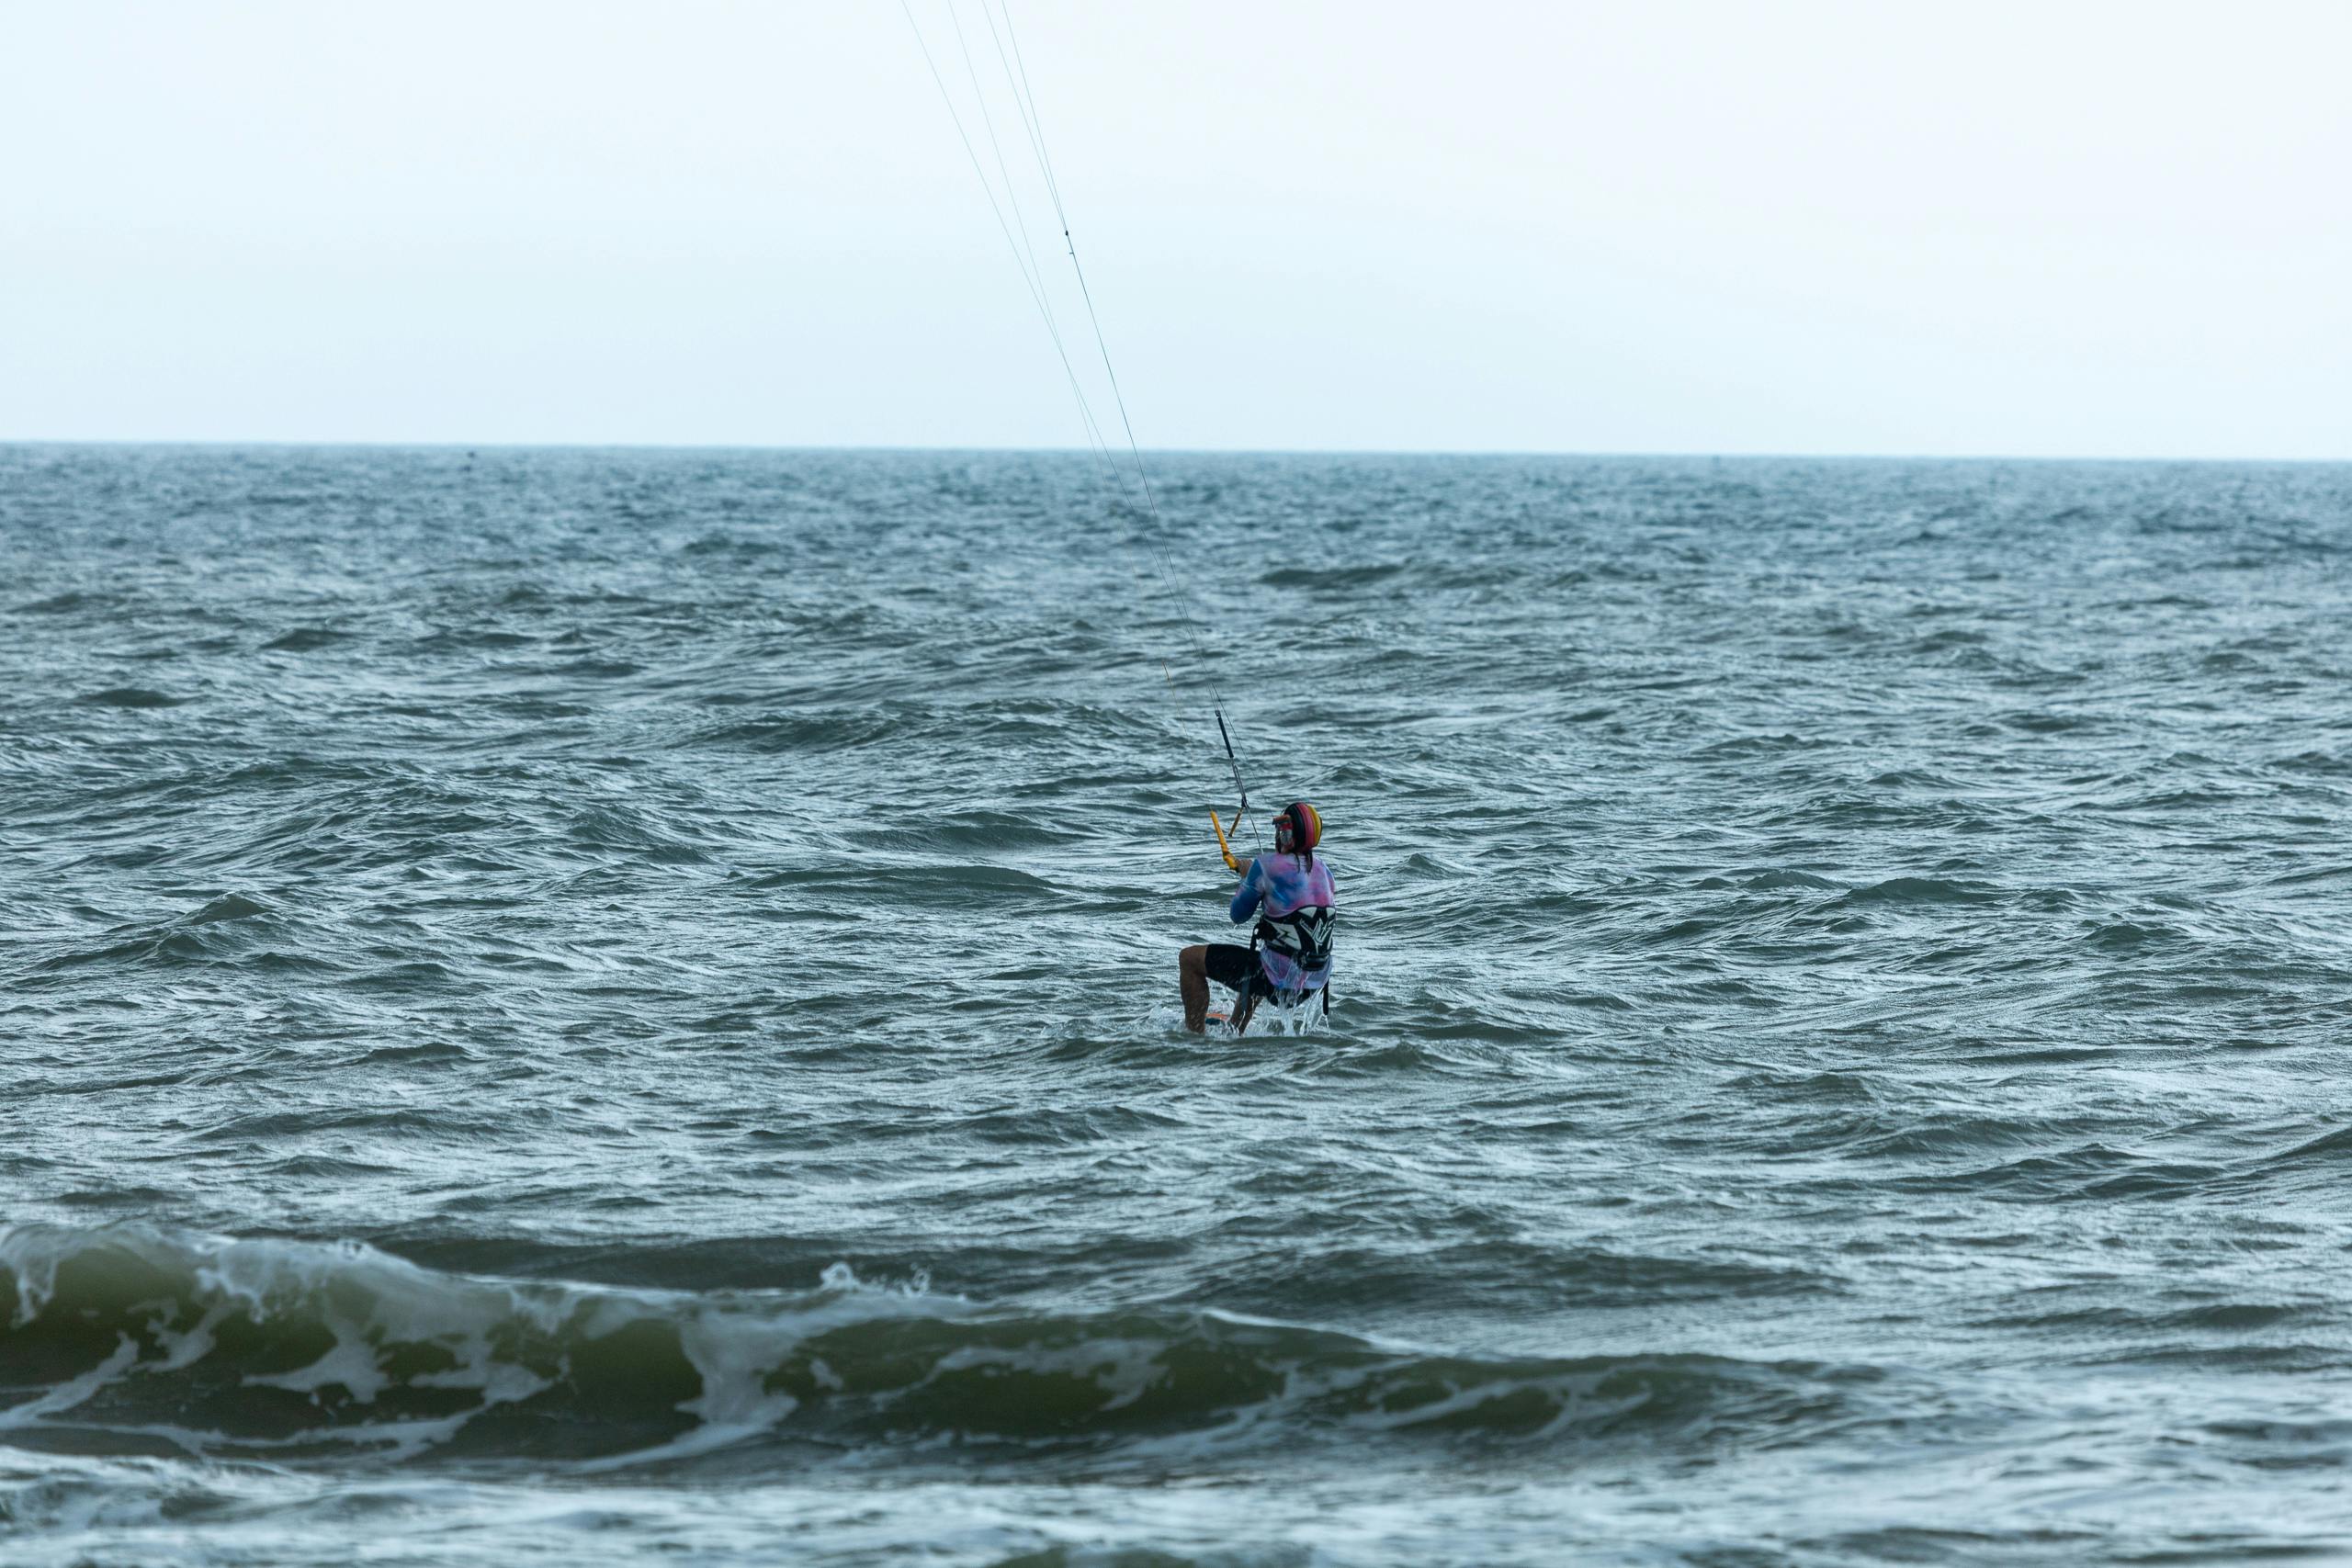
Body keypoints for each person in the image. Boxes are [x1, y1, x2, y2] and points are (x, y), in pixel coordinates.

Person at [1180, 801, 1335, 1033]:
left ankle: (1194, 1039)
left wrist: (1247, 874)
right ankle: (1235, 1029)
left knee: (1189, 959)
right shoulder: (1325, 871)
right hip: (1313, 982)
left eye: (1283, 832)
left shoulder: (1265, 866)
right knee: (1266, 957)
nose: (1279, 836)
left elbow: (1238, 915)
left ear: (1288, 836)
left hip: (1279, 981)